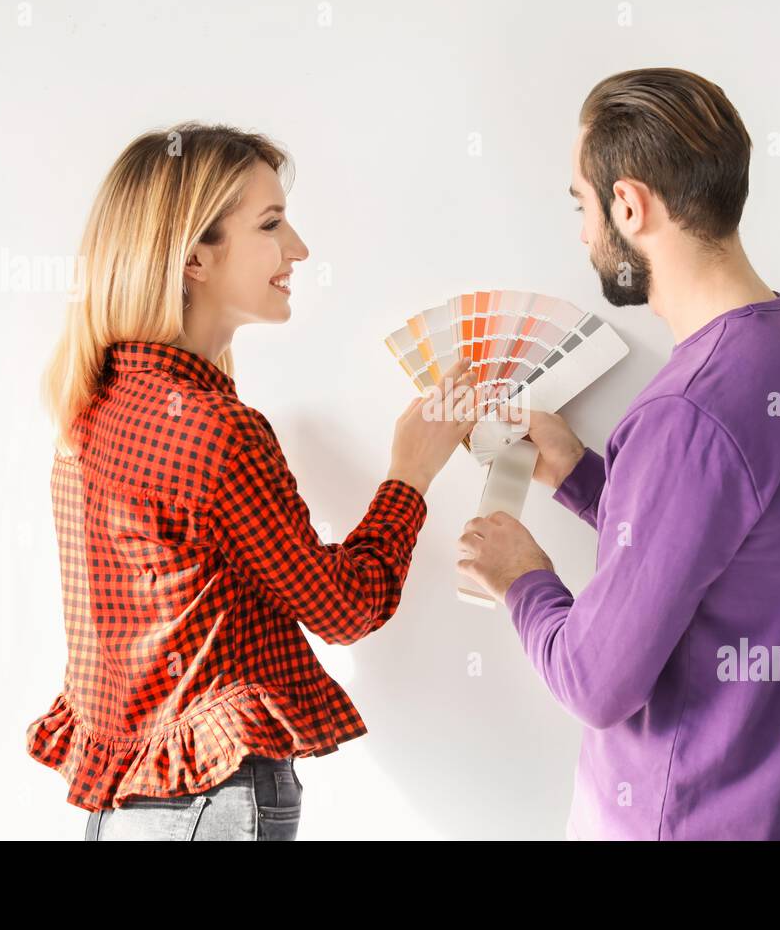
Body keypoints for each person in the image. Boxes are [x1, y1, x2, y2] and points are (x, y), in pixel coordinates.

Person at [26, 122, 476, 840]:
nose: (297, 248)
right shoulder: (218, 432)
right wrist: (410, 473)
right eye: (271, 224)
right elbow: (343, 607)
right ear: (194, 258)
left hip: (121, 816)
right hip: (211, 807)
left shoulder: (88, 413)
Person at [456, 68, 780, 840]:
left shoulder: (685, 410)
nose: (581, 232)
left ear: (629, 205)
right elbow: (730, 553)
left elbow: (595, 681)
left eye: (581, 204)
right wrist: (580, 475)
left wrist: (521, 577)